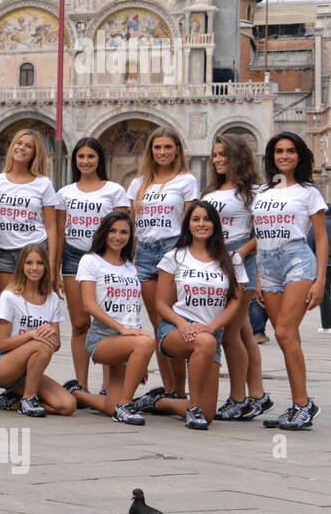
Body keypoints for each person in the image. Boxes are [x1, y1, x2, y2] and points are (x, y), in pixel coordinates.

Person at [137, 200, 246, 431]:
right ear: (187, 225)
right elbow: (160, 303)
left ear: (215, 225)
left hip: (210, 333)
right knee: (204, 343)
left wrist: (211, 327)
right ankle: (193, 406)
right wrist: (182, 324)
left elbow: (235, 302)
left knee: (208, 416)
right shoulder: (174, 256)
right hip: (175, 330)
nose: (201, 224)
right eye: (196, 219)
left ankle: (160, 402)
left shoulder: (231, 259)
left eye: (207, 219)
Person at [252, 132, 327, 430]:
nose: (285, 156)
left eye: (291, 151)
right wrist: (258, 274)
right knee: (289, 338)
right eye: (279, 151)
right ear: (272, 156)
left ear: (299, 156)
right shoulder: (262, 191)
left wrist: (320, 280)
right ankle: (299, 405)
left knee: (283, 332)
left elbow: (320, 238)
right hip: (268, 265)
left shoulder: (309, 192)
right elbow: (257, 235)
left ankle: (303, 404)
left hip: (297, 259)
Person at [127, 127, 199, 404]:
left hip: (172, 249)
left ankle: (180, 389)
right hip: (144, 252)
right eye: (157, 148)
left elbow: (191, 220)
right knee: (157, 324)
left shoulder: (186, 181)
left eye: (168, 147)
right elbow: (133, 226)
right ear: (150, 151)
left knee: (171, 320)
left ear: (178, 150)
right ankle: (170, 388)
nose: (162, 152)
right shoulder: (139, 184)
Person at [201, 134, 270, 419]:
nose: (217, 159)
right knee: (242, 332)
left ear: (238, 157)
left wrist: (239, 253)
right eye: (215, 155)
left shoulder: (255, 191)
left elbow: (261, 232)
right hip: (213, 261)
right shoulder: (209, 193)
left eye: (223, 154)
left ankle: (238, 397)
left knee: (230, 333)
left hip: (241, 259)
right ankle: (257, 394)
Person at [56, 137, 129, 395]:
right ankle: (81, 384)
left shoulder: (114, 191)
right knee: (79, 323)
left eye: (90, 156)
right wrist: (55, 269)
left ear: (99, 159)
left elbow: (123, 226)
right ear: (74, 160)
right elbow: (59, 232)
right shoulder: (65, 193)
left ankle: (109, 384)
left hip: (105, 257)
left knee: (108, 323)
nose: (86, 161)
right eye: (81, 157)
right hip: (74, 258)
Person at [71, 210, 156, 424]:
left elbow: (132, 308)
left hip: (128, 339)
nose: (118, 236)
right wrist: (124, 331)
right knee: (147, 342)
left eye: (124, 232)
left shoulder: (130, 266)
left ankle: (76, 393)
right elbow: (89, 304)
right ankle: (125, 406)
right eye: (113, 231)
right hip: (102, 339)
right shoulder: (90, 261)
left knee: (110, 405)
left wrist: (140, 356)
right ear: (104, 233)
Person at [0, 242, 75, 417]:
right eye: (29, 263)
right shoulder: (9, 296)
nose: (35, 268)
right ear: (21, 266)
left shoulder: (52, 298)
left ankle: (12, 402)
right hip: (2, 364)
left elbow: (56, 345)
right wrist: (33, 335)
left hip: (31, 369)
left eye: (40, 263)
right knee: (42, 344)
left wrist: (50, 335)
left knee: (67, 405)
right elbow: (2, 344)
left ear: (46, 267)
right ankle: (29, 398)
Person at [0, 128, 59, 287]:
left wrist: (53, 267)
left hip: (35, 250)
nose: (21, 148)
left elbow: (51, 227)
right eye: (18, 143)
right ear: (12, 146)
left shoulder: (43, 183)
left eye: (28, 146)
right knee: (8, 304)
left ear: (35, 153)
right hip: (4, 252)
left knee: (34, 303)